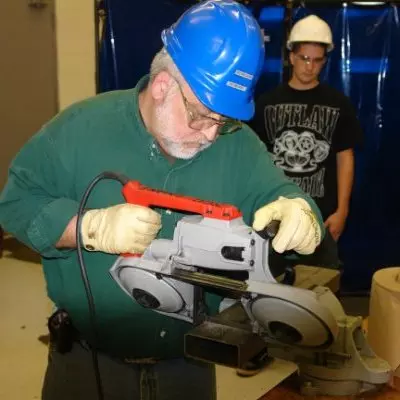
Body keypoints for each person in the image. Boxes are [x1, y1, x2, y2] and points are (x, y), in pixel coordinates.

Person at [0, 2, 324, 399]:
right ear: (161, 87)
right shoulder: (79, 130)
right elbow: (15, 204)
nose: (210, 134)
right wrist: (85, 227)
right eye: (202, 116)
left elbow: (282, 197)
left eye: (223, 121)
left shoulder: (236, 145)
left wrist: (301, 213)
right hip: (86, 366)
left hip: (187, 366)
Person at [250, 15, 363, 268]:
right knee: (271, 299)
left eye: (317, 60)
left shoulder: (338, 104)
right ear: (291, 57)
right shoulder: (266, 104)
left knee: (320, 295)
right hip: (274, 217)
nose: (309, 66)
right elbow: (252, 160)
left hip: (321, 218)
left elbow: (345, 157)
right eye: (304, 58)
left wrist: (342, 211)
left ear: (324, 61)